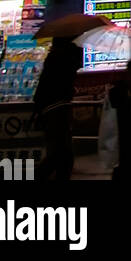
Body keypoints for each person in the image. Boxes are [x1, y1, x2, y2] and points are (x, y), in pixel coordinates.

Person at [33, 37, 82, 180]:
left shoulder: (53, 58)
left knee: (60, 153)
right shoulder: (64, 58)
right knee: (61, 154)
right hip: (57, 110)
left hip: (51, 109)